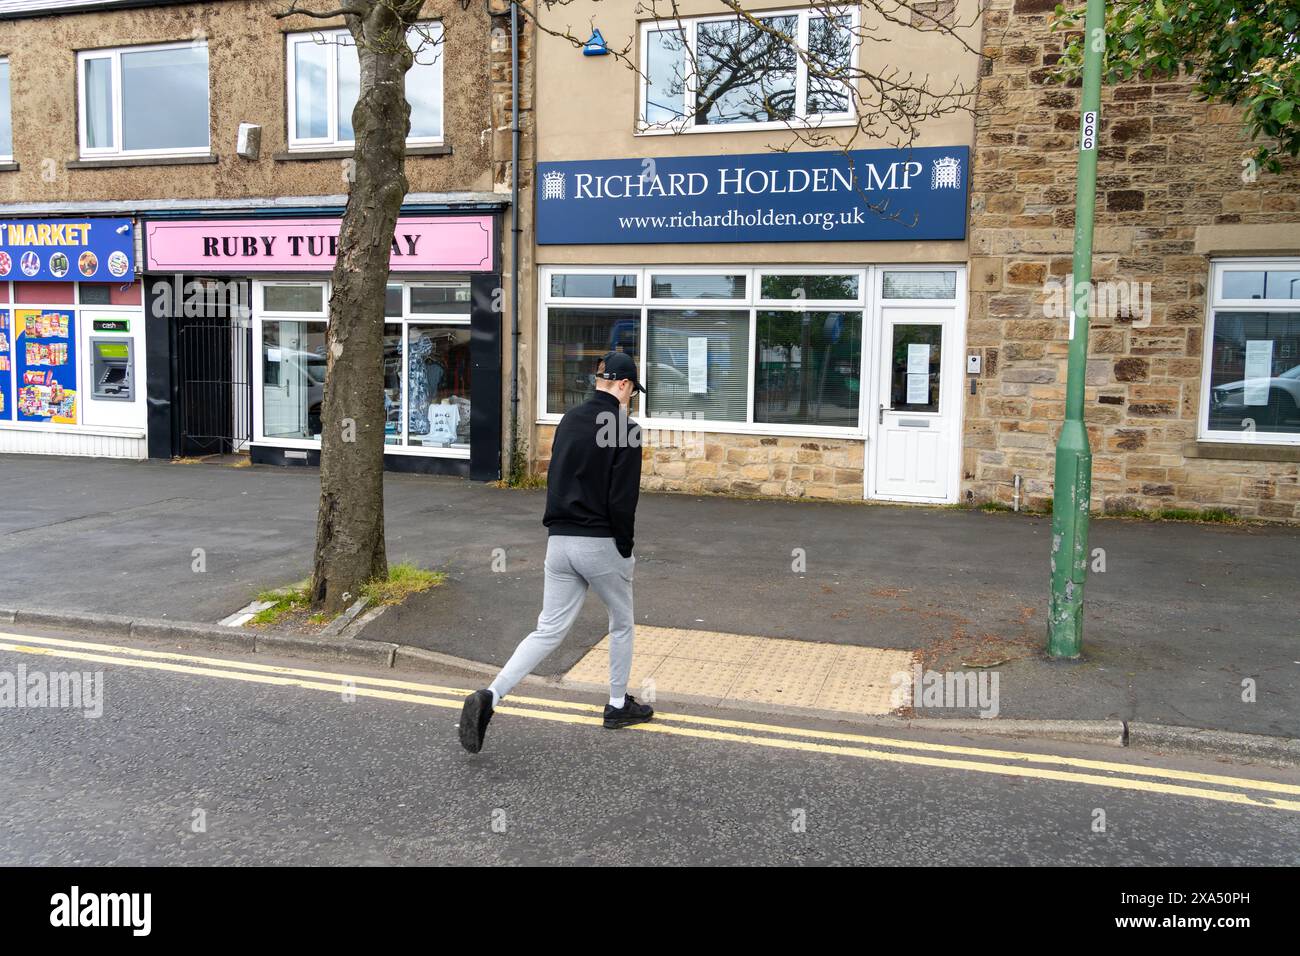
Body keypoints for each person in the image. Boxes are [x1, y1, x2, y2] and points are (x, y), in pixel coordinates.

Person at [458, 351, 651, 753]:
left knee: (547, 630)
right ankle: (617, 705)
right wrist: (626, 549)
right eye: (631, 391)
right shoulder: (626, 429)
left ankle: (491, 696)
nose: (630, 399)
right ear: (623, 385)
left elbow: (556, 478)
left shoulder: (567, 421)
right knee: (622, 622)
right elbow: (622, 501)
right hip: (600, 543)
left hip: (559, 542)